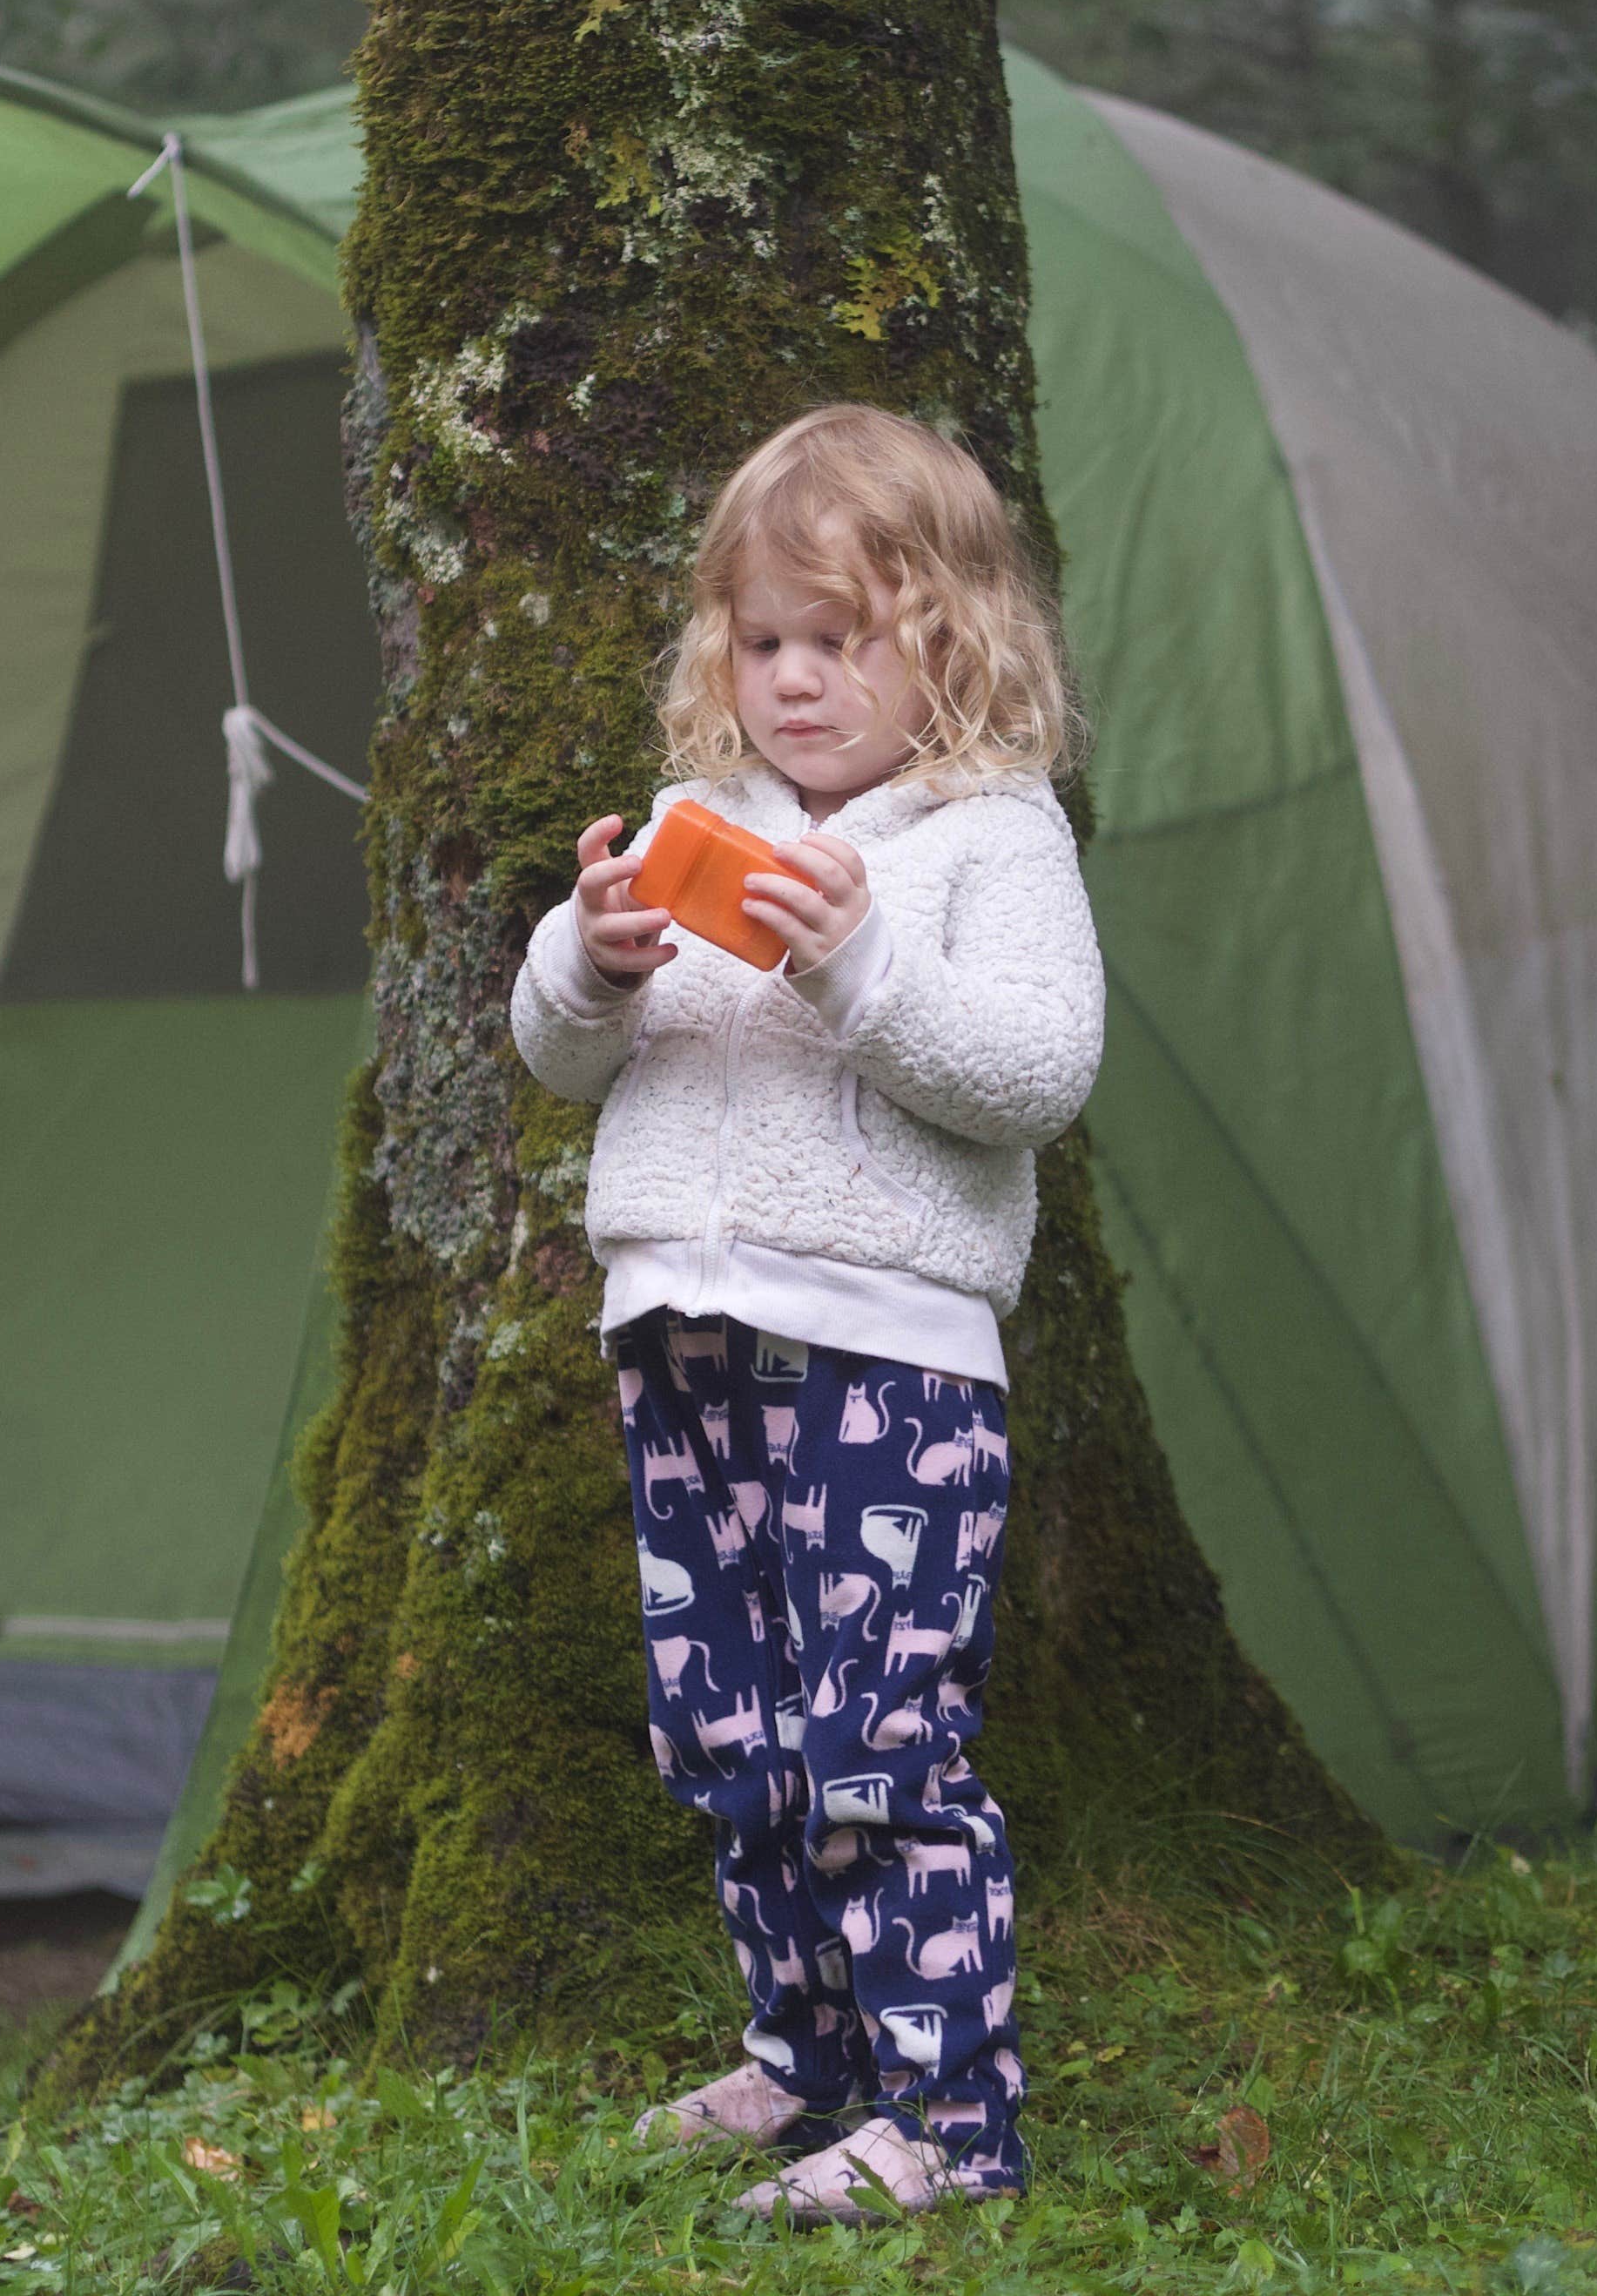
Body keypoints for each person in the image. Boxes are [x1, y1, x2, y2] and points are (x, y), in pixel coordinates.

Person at [509, 402, 1103, 2224]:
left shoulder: (989, 840)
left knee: (880, 1743)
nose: (794, 680)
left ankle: (949, 2121)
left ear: (955, 637)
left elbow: (1036, 1070)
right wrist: (587, 961)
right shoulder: (704, 822)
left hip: (884, 1363)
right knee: (732, 1734)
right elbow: (557, 1060)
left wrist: (857, 960)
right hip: (680, 1337)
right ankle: (808, 2058)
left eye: (840, 640)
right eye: (763, 641)